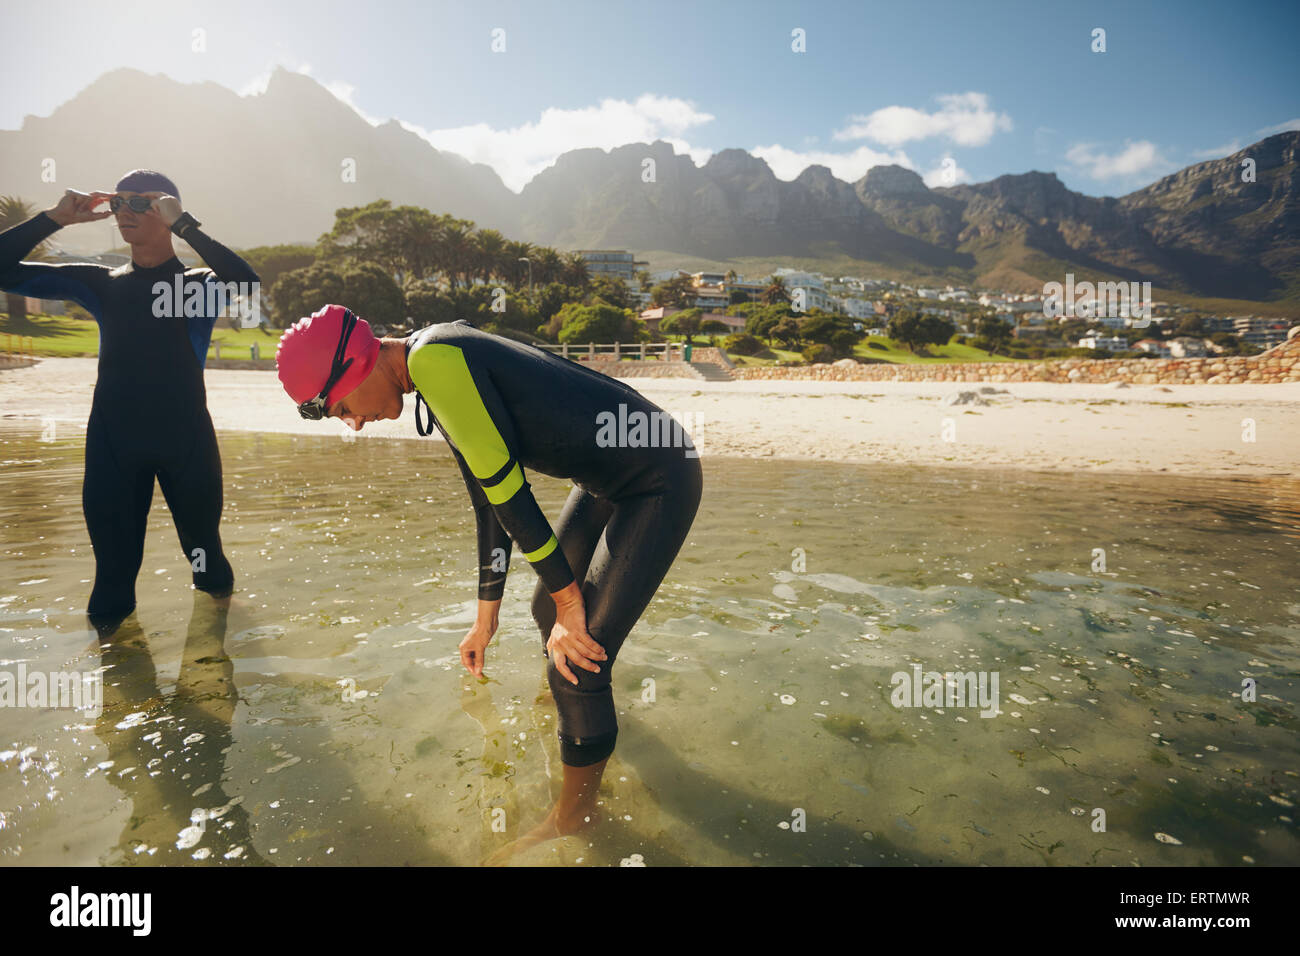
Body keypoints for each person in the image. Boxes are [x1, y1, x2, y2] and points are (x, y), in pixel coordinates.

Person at [275, 304, 702, 850]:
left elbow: (511, 494)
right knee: (545, 612)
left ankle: (576, 816)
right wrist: (486, 615)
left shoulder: (436, 360)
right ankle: (579, 724)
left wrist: (574, 605)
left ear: (357, 364)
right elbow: (487, 497)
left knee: (576, 656)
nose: (354, 424)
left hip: (659, 476)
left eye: (341, 410)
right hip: (609, 475)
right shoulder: (432, 359)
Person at [0, 170, 259, 629]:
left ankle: (215, 657)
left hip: (188, 447)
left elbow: (248, 286)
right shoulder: (99, 282)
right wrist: (55, 219)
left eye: (142, 203)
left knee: (207, 563)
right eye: (120, 202)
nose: (126, 212)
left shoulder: (196, 286)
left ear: (168, 211)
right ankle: (117, 686)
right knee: (112, 581)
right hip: (112, 447)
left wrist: (187, 226)